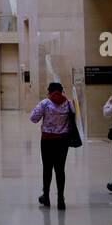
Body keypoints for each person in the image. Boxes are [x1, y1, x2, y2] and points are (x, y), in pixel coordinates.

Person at [30, 81, 74, 210]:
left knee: (47, 168)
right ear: (61, 91)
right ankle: (61, 199)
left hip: (48, 140)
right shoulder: (69, 103)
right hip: (63, 141)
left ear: (49, 91)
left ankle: (47, 197)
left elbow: (33, 118)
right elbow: (74, 119)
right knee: (60, 169)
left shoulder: (45, 103)